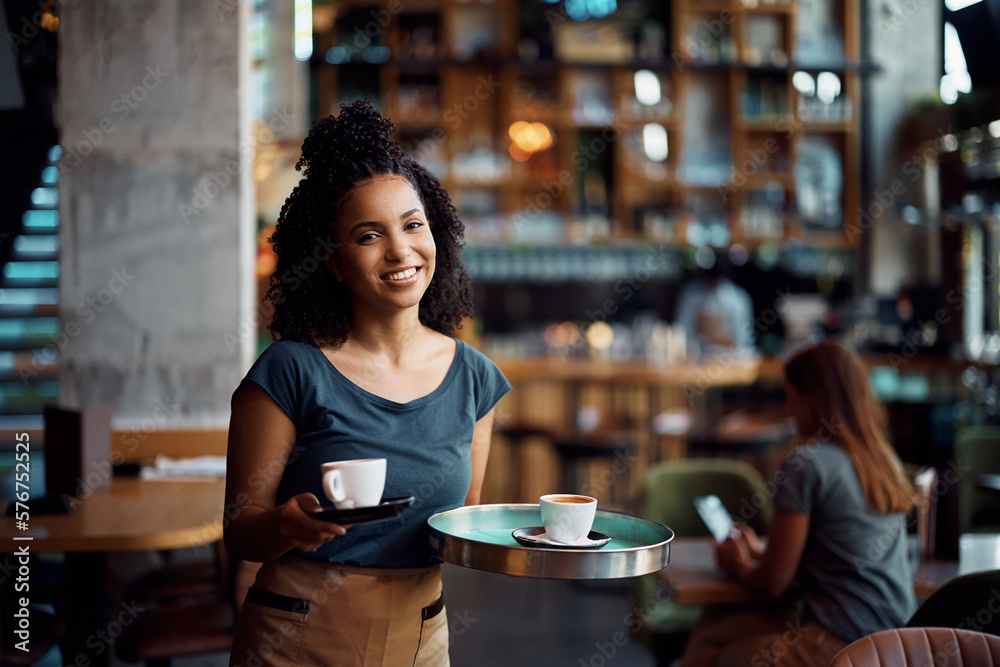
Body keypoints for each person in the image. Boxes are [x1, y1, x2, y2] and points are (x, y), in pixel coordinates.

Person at [224, 100, 511, 667]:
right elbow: (241, 532)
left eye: (412, 225)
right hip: (298, 633)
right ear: (333, 262)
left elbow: (457, 530)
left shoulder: (476, 379)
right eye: (368, 236)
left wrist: (538, 543)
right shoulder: (290, 371)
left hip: (421, 639)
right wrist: (285, 526)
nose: (400, 251)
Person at [680, 339, 917, 667]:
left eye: (791, 396)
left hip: (841, 640)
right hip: (896, 642)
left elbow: (773, 583)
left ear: (813, 398)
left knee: (721, 653)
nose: (790, 411)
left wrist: (738, 564)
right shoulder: (881, 459)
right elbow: (830, 556)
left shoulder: (807, 463)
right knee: (713, 629)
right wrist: (759, 553)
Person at [674, 254, 755, 359]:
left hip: (729, 359)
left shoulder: (737, 299)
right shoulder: (691, 295)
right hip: (697, 358)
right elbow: (682, 329)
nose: (711, 283)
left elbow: (743, 338)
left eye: (715, 279)